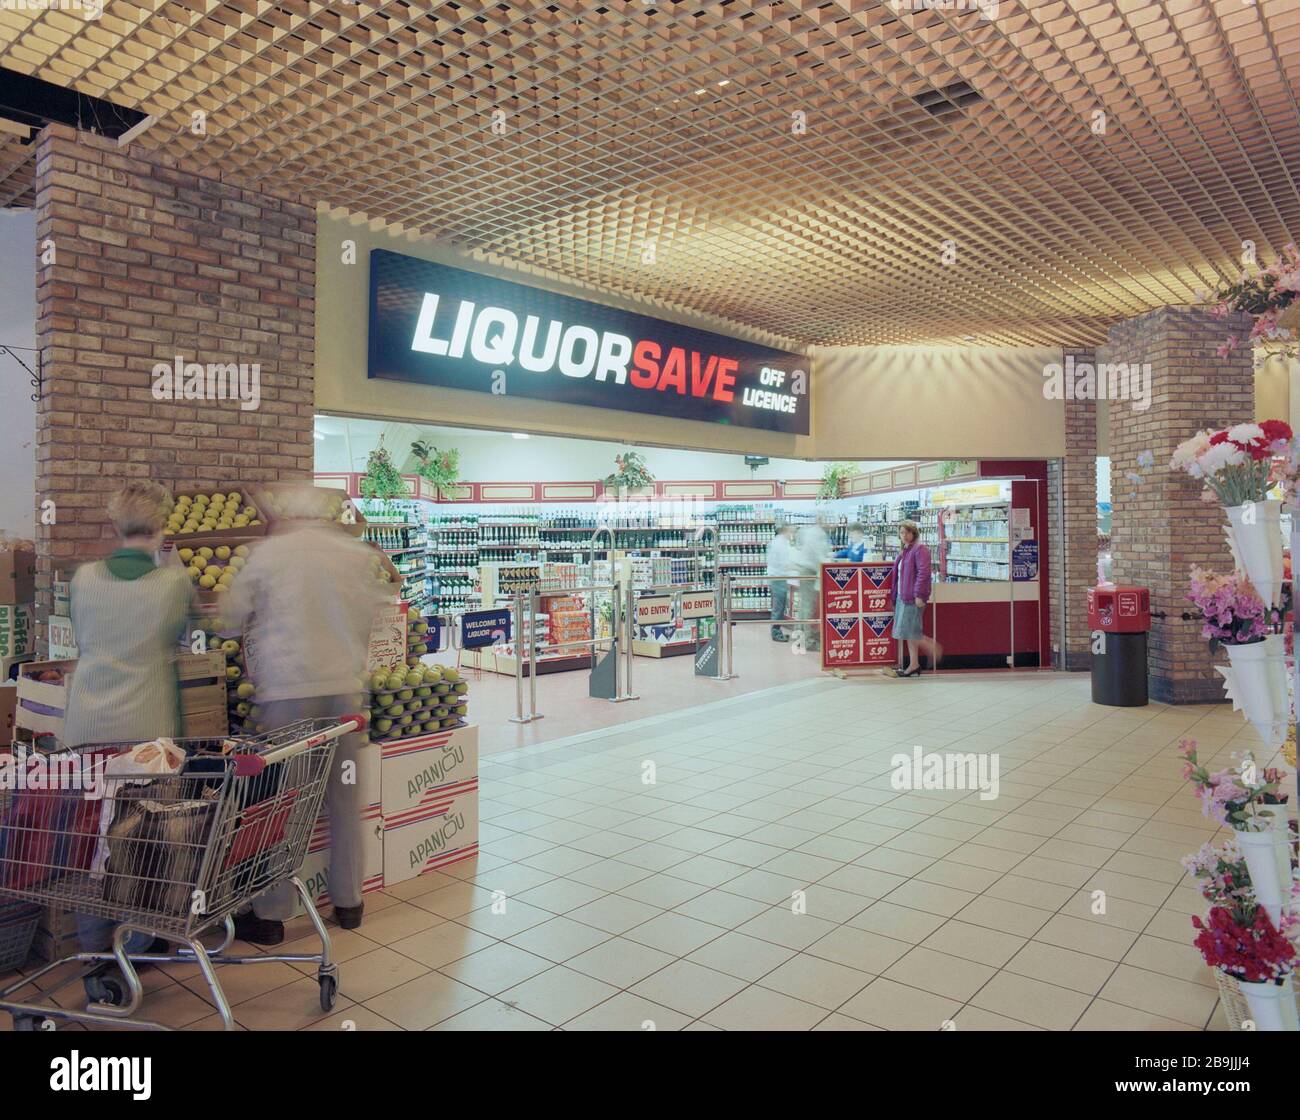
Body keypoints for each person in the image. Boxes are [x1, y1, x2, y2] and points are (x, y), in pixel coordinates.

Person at [222, 483, 391, 943]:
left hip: (290, 697)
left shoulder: (270, 554)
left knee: (285, 806)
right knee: (345, 801)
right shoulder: (352, 553)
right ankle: (349, 903)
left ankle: (273, 913)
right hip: (344, 696)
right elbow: (377, 609)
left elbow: (229, 613)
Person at [62, 481, 193, 991]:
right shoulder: (171, 583)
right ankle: (138, 943)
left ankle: (95, 951)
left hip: (87, 729)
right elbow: (177, 636)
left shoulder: (85, 578)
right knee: (150, 842)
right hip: (148, 732)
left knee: (94, 847)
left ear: (114, 525)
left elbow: (81, 635)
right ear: (162, 527)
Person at [883, 520, 942, 677]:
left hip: (913, 598)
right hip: (904, 596)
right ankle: (914, 664)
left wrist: (919, 595)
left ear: (914, 533)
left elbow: (923, 573)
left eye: (907, 532)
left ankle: (933, 647)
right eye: (902, 533)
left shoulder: (920, 549)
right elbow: (901, 575)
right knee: (909, 631)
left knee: (910, 631)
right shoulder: (906, 550)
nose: (904, 536)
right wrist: (895, 596)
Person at [793, 516, 832, 650]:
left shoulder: (811, 531)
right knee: (808, 605)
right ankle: (809, 641)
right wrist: (829, 563)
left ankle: (800, 636)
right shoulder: (818, 534)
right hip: (809, 571)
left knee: (805, 604)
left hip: (807, 570)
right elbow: (819, 554)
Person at [765, 522, 796, 641]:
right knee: (779, 607)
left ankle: (777, 631)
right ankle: (776, 633)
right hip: (778, 578)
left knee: (779, 606)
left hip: (777, 577)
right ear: (785, 531)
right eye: (791, 531)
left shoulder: (779, 542)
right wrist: (797, 567)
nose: (792, 534)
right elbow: (784, 563)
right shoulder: (780, 544)